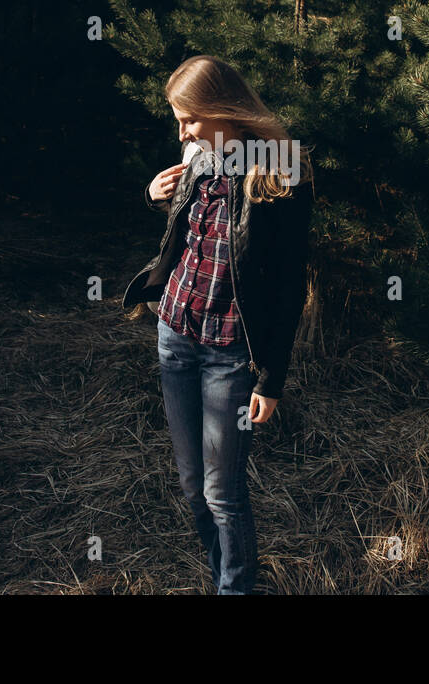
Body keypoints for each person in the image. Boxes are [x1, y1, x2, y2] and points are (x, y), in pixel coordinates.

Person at [121, 55, 314, 594]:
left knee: (222, 492)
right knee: (191, 486)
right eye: (179, 120)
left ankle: (235, 588)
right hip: (176, 334)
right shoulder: (197, 155)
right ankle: (223, 577)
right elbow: (194, 235)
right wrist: (155, 196)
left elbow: (287, 284)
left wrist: (271, 379)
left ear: (223, 110)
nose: (181, 131)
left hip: (231, 353)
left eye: (189, 118)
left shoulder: (279, 169)